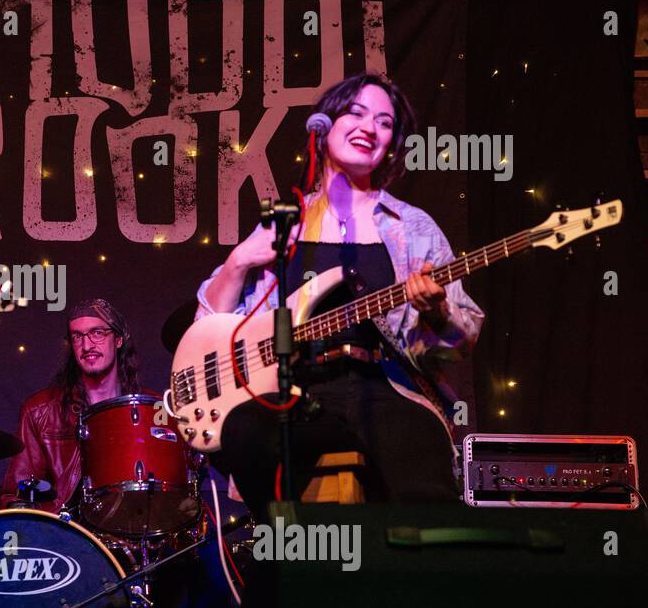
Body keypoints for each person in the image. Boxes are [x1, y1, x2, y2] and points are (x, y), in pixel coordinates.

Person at [196, 72, 484, 517]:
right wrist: (238, 261)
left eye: (385, 122)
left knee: (420, 467)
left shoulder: (411, 226)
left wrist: (438, 310)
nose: (370, 128)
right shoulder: (285, 223)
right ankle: (286, 567)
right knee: (248, 433)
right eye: (356, 112)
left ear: (391, 143)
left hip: (384, 385)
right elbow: (209, 324)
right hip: (295, 389)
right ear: (325, 124)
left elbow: (459, 343)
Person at [0, 299, 145, 511]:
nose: (87, 346)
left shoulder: (149, 408)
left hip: (135, 528)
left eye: (97, 333)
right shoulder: (40, 411)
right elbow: (15, 494)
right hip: (68, 534)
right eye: (77, 336)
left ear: (119, 339)